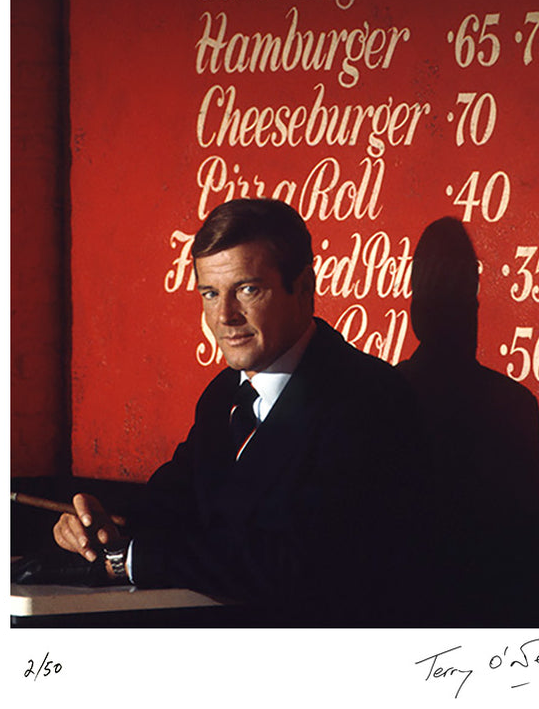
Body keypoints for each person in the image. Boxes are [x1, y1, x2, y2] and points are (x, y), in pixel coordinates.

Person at [52, 198, 435, 625]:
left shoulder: (368, 398)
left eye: (248, 289)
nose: (224, 316)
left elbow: (303, 562)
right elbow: (170, 501)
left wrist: (133, 559)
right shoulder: (223, 395)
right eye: (210, 293)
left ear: (304, 288)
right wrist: (95, 522)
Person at [397, 217, 539, 626]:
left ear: (416, 309)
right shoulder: (513, 404)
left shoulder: (380, 395)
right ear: (474, 307)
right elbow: (534, 550)